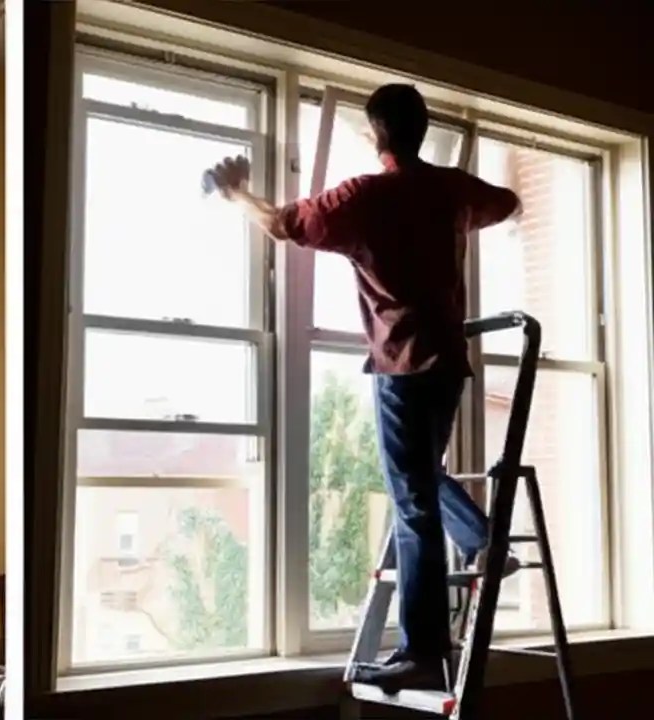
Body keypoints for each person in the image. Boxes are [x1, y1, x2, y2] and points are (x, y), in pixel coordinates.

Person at [209, 84, 523, 693]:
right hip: (449, 363)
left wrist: (233, 193)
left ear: (377, 135)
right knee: (421, 478)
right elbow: (505, 202)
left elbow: (281, 224)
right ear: (423, 129)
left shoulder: (363, 198)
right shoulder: (450, 189)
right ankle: (485, 540)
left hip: (402, 364)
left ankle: (425, 650)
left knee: (411, 504)